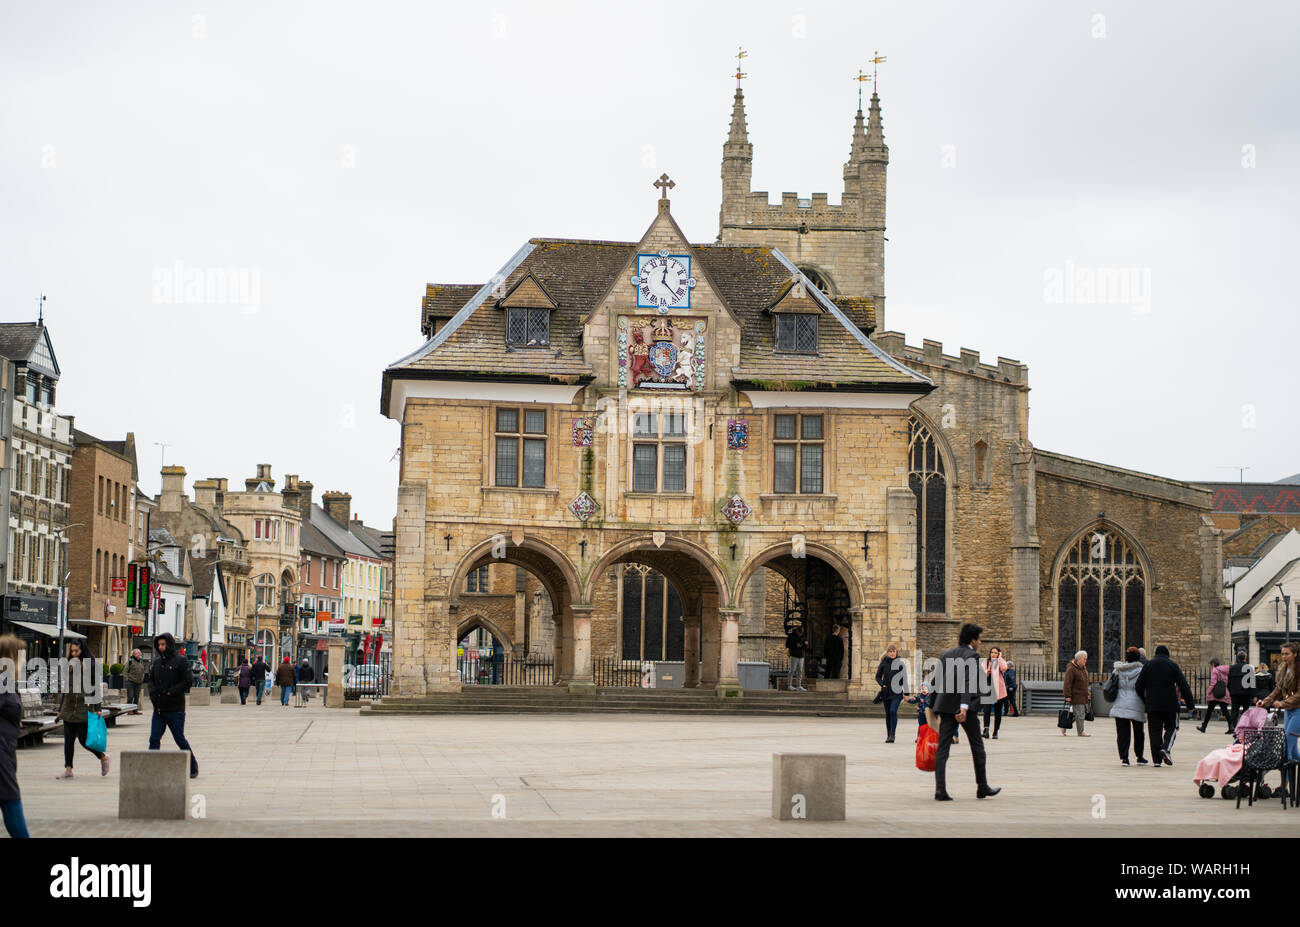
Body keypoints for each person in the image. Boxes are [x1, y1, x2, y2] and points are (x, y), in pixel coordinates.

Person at [930, 622, 1000, 801]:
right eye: (980, 639)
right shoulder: (972, 656)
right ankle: (982, 786)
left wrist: (932, 706)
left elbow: (936, 681)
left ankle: (940, 789)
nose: (981, 642)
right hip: (965, 709)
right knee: (977, 747)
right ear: (973, 639)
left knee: (943, 749)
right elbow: (968, 682)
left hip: (945, 707)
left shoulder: (946, 654)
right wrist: (963, 707)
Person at [54, 640, 109, 779]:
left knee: (84, 740)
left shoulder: (91, 665)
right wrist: (60, 709)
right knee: (68, 741)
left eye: (76, 651)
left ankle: (102, 757)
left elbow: (96, 688)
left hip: (84, 708)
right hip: (69, 707)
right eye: (72, 651)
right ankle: (68, 769)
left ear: (82, 650)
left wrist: (98, 708)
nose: (74, 654)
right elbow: (66, 689)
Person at [147, 632, 199, 779]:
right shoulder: (157, 663)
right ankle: (151, 768)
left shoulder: (181, 661)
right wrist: (152, 694)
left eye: (163, 644)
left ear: (169, 645)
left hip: (175, 708)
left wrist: (171, 692)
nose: (160, 647)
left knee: (179, 739)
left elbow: (188, 681)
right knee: (154, 738)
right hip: (159, 708)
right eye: (159, 645)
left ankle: (193, 766)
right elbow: (150, 680)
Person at [1135, 644, 1195, 768]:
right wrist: (1190, 704)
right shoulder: (1172, 665)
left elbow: (1138, 686)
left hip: (1153, 705)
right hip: (1170, 704)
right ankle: (1166, 749)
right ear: (1167, 654)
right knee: (1172, 727)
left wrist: (1145, 700)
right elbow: (1183, 685)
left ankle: (1157, 760)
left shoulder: (1148, 665)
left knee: (1154, 732)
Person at [0, 635, 30, 837]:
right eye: (21, 657)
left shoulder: (7, 682)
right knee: (11, 799)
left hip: (6, 749)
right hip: (0, 752)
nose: (24, 661)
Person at [1256, 641, 1300, 767]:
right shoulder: (1283, 669)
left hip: (1298, 711)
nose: (1284, 657)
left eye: (1287, 654)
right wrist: (1264, 702)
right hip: (1289, 711)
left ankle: (1284, 785)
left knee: (1285, 749)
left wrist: (1282, 703)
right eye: (1282, 654)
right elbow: (1278, 690)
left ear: (1295, 654)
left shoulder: (1298, 669)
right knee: (1293, 752)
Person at [1110, 646, 1148, 766]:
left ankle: (1124, 758)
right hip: (1136, 704)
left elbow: (1112, 684)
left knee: (1122, 733)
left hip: (1120, 703)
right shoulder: (1141, 671)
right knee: (1138, 732)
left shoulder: (1118, 670)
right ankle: (1139, 756)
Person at [874, 644, 908, 743]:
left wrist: (906, 693)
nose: (892, 653)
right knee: (888, 714)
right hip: (886, 692)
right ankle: (889, 735)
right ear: (888, 653)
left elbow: (904, 679)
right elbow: (878, 677)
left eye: (894, 651)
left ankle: (893, 734)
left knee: (893, 711)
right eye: (890, 651)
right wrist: (882, 685)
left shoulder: (901, 664)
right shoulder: (883, 663)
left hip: (897, 692)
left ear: (896, 652)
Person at [1197, 658, 1232, 734]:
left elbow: (1213, 683)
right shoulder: (1226, 670)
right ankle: (1231, 726)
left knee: (1209, 711)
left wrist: (1208, 693)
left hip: (1215, 694)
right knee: (1225, 711)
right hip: (1224, 693)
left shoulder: (1215, 670)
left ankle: (1203, 727)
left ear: (1213, 664)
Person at [981, 646, 1008, 739]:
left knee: (998, 711)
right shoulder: (986, 662)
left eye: (995, 653)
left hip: (998, 689)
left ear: (999, 653)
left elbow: (1004, 668)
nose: (993, 654)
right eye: (992, 652)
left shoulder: (1001, 661)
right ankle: (986, 730)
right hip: (987, 688)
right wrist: (986, 672)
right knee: (986, 710)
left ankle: (996, 731)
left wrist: (999, 658)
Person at [1062, 650, 1091, 737]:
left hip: (1083, 695)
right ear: (1078, 659)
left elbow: (1085, 683)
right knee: (1080, 714)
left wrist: (1088, 693)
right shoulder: (1071, 669)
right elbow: (1067, 683)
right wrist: (1067, 695)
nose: (1085, 661)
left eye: (1086, 659)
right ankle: (1081, 732)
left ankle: (1064, 725)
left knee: (1078, 714)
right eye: (1084, 659)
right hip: (1076, 695)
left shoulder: (1083, 668)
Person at [1226, 651, 1253, 734]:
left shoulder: (1232, 668)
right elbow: (1252, 682)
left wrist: (1231, 691)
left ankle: (1233, 727)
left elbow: (1229, 682)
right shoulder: (1249, 668)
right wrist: (1252, 694)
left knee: (1234, 711)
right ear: (1245, 658)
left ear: (1238, 658)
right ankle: (1244, 727)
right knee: (1246, 711)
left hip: (1235, 693)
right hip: (1246, 693)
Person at [785, 625, 808, 692]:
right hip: (794, 655)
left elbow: (804, 644)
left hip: (801, 655)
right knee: (792, 671)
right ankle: (789, 685)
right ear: (797, 631)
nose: (800, 634)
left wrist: (805, 644)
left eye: (801, 633)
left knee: (800, 671)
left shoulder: (802, 635)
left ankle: (799, 686)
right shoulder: (791, 635)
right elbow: (787, 645)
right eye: (799, 633)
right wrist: (795, 645)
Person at [124, 649, 146, 714]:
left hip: (139, 682)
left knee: (136, 696)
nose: (139, 655)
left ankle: (135, 710)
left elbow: (142, 671)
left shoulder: (140, 662)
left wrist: (142, 678)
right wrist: (127, 678)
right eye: (138, 653)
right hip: (131, 682)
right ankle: (129, 710)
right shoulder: (130, 661)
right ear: (134, 654)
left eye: (140, 653)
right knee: (130, 696)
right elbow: (125, 671)